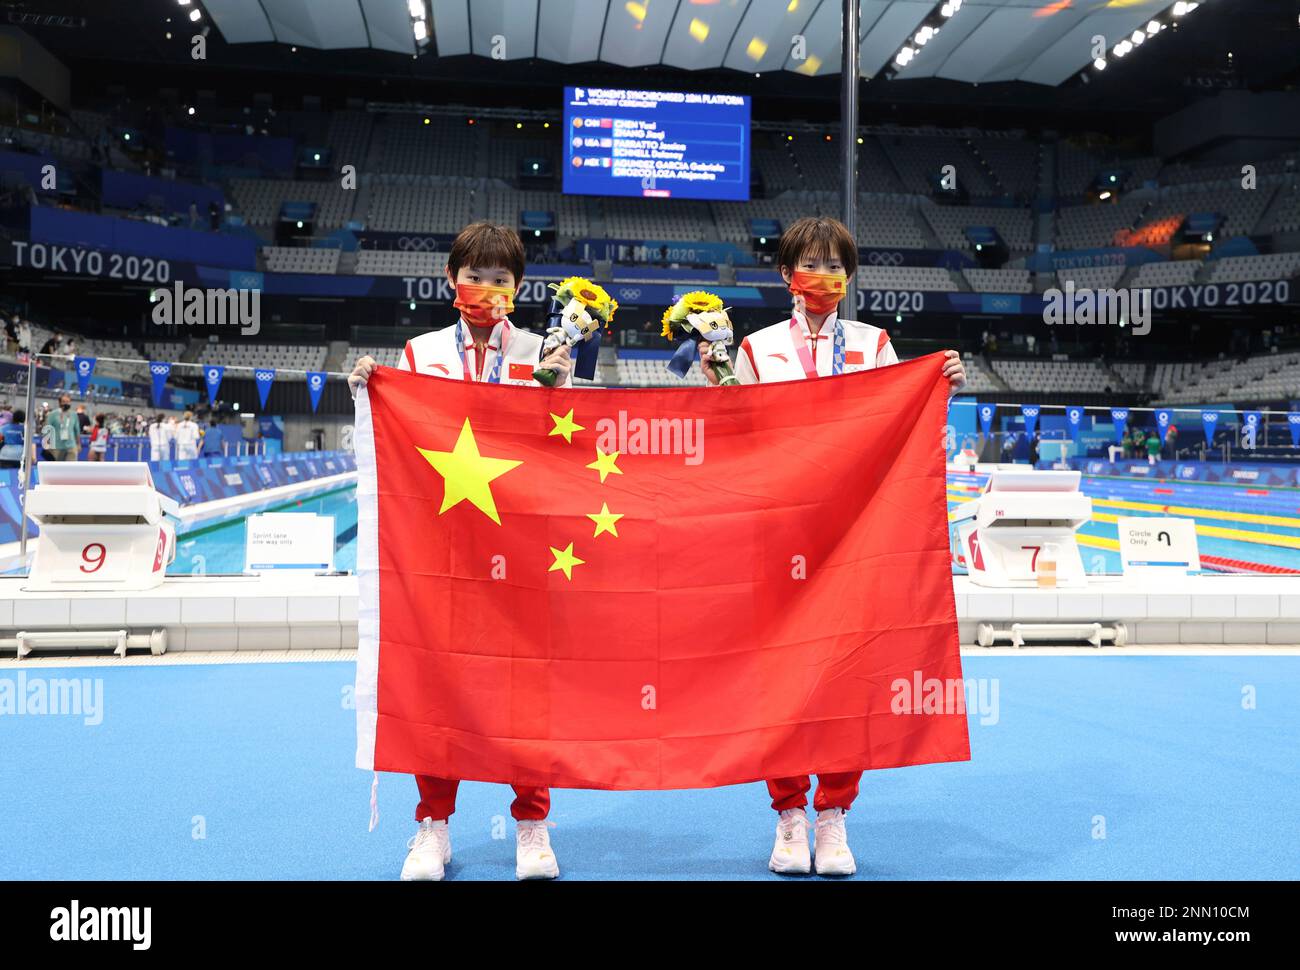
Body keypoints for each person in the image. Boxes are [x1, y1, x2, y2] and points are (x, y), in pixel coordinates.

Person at [698, 216, 966, 877]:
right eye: (810, 263)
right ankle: (789, 812)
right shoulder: (755, 350)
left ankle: (833, 814)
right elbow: (739, 439)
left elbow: (894, 429)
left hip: (855, 536)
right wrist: (716, 385)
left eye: (835, 263)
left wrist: (938, 389)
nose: (824, 274)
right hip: (779, 533)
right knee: (781, 679)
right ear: (785, 274)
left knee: (851, 677)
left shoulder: (875, 343)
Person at [348, 221, 574, 883]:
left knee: (527, 692)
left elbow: (569, 456)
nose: (486, 289)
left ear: (519, 288)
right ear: (452, 281)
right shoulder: (419, 355)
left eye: (500, 279)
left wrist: (563, 391)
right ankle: (432, 828)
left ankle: (532, 826)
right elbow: (398, 444)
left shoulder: (544, 352)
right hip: (442, 557)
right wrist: (369, 389)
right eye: (474, 276)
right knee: (435, 690)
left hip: (525, 554)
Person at [43, 394, 80, 461]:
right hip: (57, 447)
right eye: (64, 401)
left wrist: (79, 444)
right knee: (57, 469)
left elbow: (77, 431)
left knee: (71, 469)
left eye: (68, 401)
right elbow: (47, 430)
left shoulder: (74, 414)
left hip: (71, 446)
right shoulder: (52, 414)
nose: (66, 403)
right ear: (59, 403)